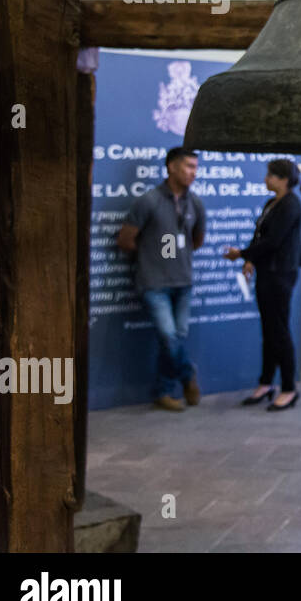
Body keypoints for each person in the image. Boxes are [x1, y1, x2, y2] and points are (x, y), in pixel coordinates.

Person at [118, 147, 206, 412]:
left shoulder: (196, 203)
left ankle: (164, 391)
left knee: (176, 337)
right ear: (171, 167)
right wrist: (150, 256)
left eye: (195, 167)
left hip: (183, 282)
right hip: (153, 282)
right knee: (169, 336)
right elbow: (125, 240)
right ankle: (187, 373)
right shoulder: (148, 201)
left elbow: (197, 240)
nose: (193, 172)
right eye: (188, 166)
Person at [225, 159, 301, 412]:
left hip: (280, 273)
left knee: (279, 331)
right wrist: (250, 258)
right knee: (269, 329)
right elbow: (260, 235)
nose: (265, 179)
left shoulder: (291, 204)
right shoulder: (272, 203)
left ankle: (288, 388)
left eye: (270, 175)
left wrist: (241, 253)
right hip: (268, 271)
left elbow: (273, 241)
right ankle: (265, 383)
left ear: (283, 179)